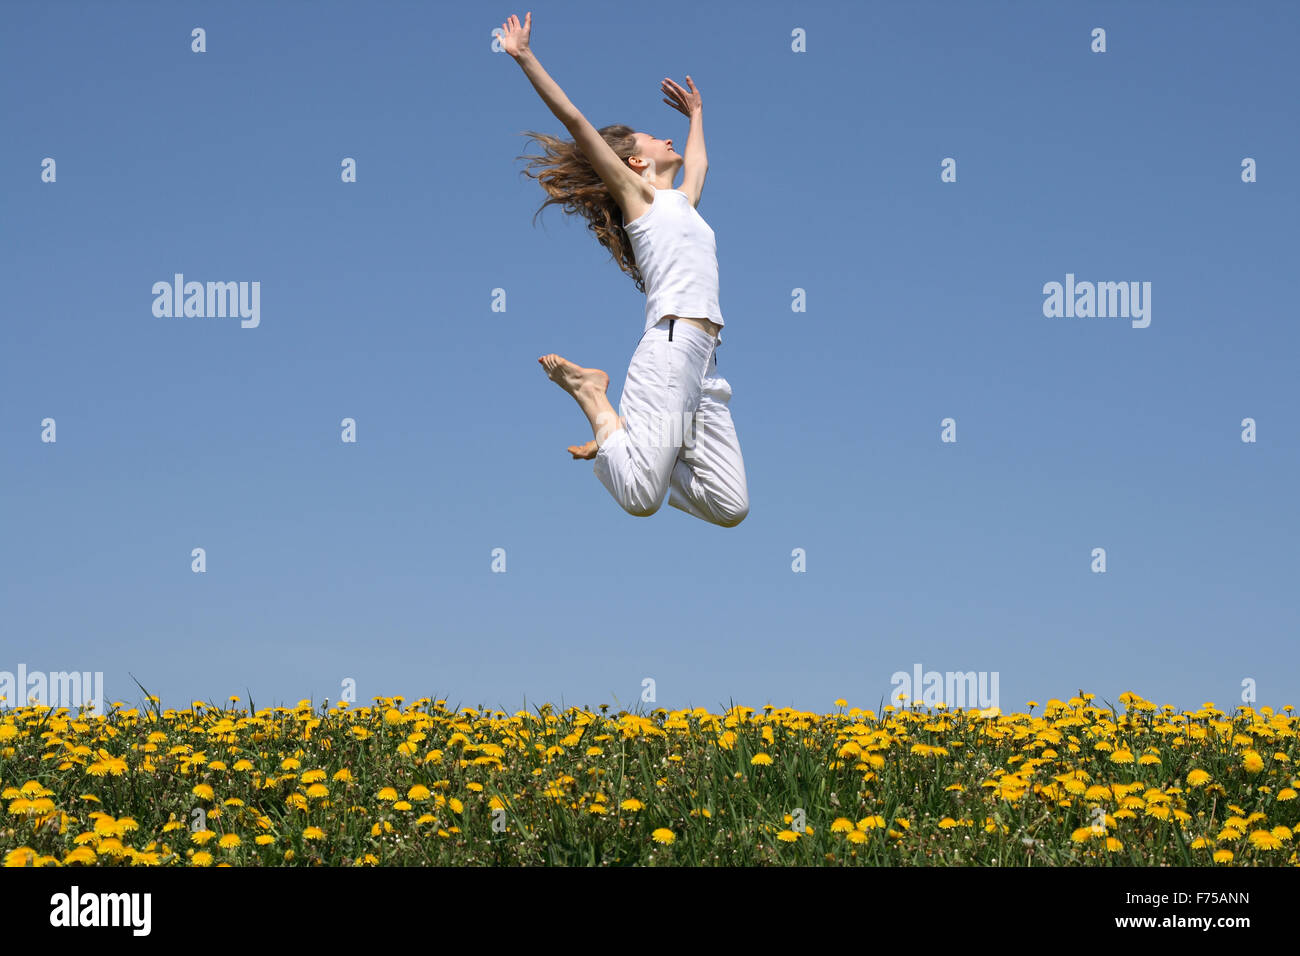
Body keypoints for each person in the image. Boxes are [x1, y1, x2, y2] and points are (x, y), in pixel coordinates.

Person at [501, 11, 749, 527]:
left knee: (730, 506)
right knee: (641, 498)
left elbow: (700, 166)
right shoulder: (640, 201)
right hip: (672, 344)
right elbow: (574, 120)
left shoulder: (683, 202)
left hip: (704, 363)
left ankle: (629, 439)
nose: (667, 141)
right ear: (635, 163)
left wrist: (697, 114)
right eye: (654, 138)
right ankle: (595, 396)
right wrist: (524, 56)